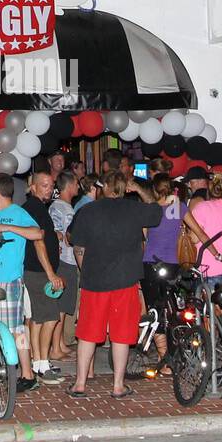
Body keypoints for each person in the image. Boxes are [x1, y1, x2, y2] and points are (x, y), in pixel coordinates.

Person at [67, 171, 163, 399]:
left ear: (104, 187)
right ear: (123, 188)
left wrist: (85, 270)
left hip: (95, 281)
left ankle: (80, 384)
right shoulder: (134, 210)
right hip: (125, 281)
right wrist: (139, 189)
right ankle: (118, 386)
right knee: (121, 334)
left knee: (88, 333)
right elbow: (157, 213)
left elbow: (78, 245)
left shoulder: (87, 211)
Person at [0, 173, 44, 390]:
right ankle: (0, 367)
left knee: (16, 328)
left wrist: (10, 228)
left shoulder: (19, 213)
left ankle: (27, 375)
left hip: (10, 280)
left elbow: (38, 234)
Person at [20, 171, 67, 384]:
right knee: (50, 317)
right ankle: (42, 363)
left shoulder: (37, 207)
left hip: (35, 271)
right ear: (34, 187)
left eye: (51, 185)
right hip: (39, 272)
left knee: (38, 319)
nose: (49, 189)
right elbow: (38, 243)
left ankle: (39, 363)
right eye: (45, 185)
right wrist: (51, 274)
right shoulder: (34, 208)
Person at [141, 174, 183, 373]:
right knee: (172, 311)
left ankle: (163, 359)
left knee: (156, 312)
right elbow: (197, 231)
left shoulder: (151, 211)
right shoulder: (179, 207)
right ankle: (174, 355)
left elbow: (145, 237)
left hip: (151, 264)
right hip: (173, 264)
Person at [48, 171, 81, 360]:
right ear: (68, 186)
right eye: (76, 183)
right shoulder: (61, 208)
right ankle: (55, 347)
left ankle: (59, 343)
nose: (78, 187)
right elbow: (63, 235)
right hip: (65, 260)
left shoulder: (63, 207)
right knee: (60, 306)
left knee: (64, 304)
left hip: (66, 260)